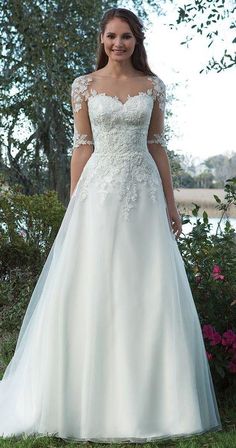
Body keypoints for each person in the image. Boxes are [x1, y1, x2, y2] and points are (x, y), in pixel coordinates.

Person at [0, 7, 222, 444]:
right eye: (111, 36)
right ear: (101, 40)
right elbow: (82, 147)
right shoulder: (83, 85)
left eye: (125, 37)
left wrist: (171, 203)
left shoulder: (153, 87)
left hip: (142, 193)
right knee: (94, 285)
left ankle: (154, 403)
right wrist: (75, 203)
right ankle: (83, 398)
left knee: (146, 288)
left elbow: (157, 145)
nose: (118, 43)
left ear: (137, 41)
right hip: (97, 196)